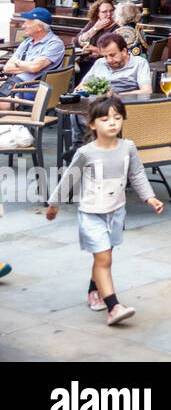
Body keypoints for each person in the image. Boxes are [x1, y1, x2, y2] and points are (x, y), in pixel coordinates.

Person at [45, 94, 164, 326]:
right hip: (91, 213)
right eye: (105, 119)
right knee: (104, 258)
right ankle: (114, 306)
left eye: (117, 118)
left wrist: (150, 197)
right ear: (92, 124)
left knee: (103, 258)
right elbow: (68, 179)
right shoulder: (86, 153)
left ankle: (93, 291)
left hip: (116, 212)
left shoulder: (128, 147)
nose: (112, 123)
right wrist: (54, 205)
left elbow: (137, 174)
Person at [2, 8, 67, 90]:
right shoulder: (27, 42)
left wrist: (17, 62)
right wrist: (27, 67)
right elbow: (7, 68)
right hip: (13, 84)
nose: (23, 26)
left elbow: (34, 68)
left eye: (27, 23)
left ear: (39, 27)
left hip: (34, 89)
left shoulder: (54, 44)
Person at [76, 33, 150, 94]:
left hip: (125, 106)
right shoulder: (100, 62)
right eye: (105, 56)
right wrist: (81, 89)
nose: (109, 60)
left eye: (112, 55)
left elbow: (147, 91)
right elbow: (80, 87)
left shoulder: (139, 63)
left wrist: (117, 96)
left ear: (124, 51)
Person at [74, 0, 118, 78]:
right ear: (97, 14)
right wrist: (95, 29)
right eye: (104, 12)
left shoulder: (117, 27)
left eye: (111, 11)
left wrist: (97, 51)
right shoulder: (93, 23)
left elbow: (115, 53)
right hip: (86, 62)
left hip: (104, 66)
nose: (109, 15)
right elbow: (77, 41)